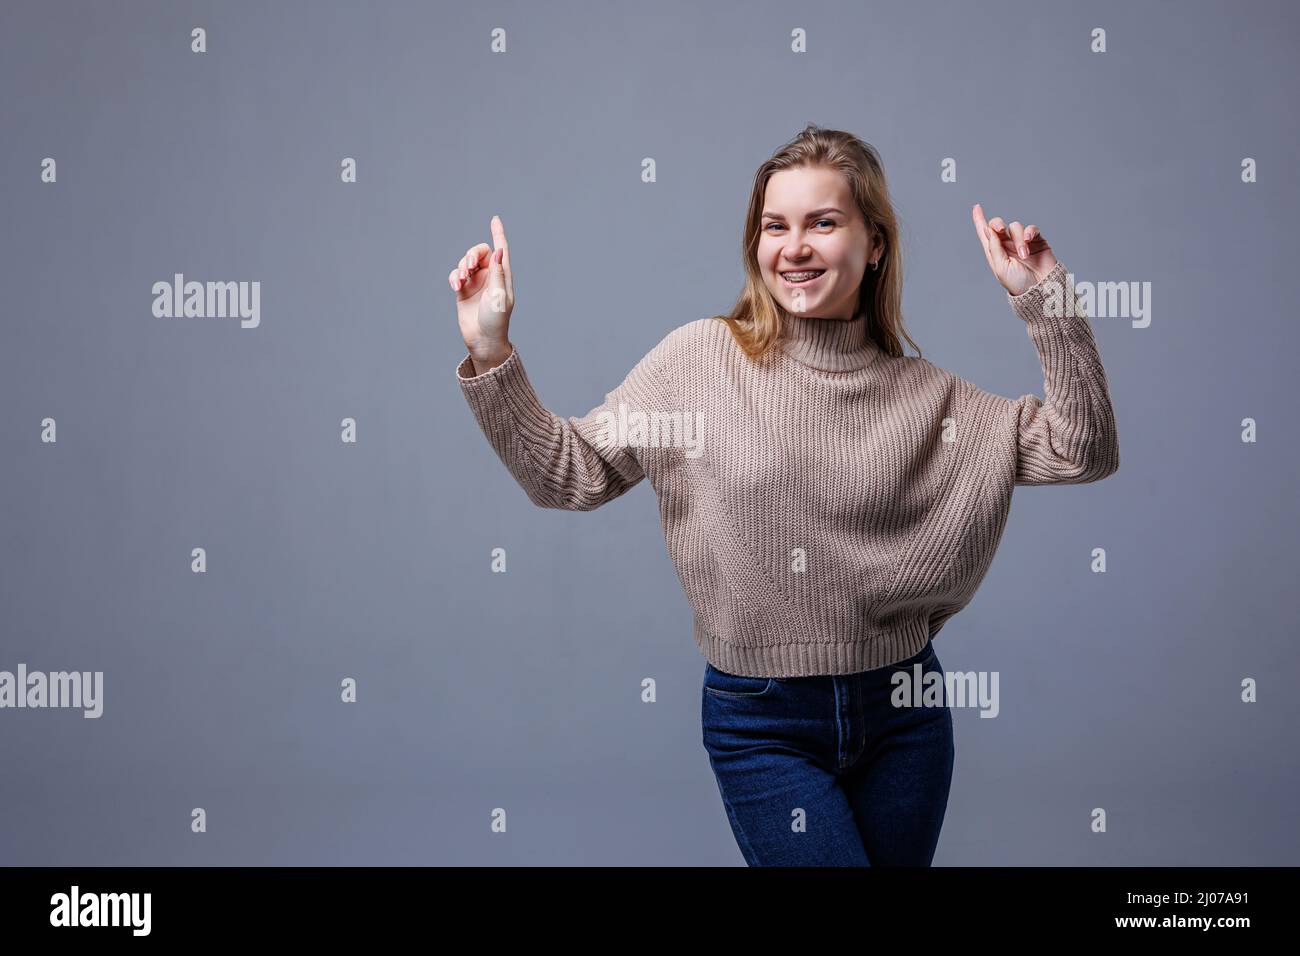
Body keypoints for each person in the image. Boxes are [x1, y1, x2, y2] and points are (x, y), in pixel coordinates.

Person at [447, 125, 1119, 866]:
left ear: (875, 246)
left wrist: (1047, 304)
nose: (793, 247)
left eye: (823, 223)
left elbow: (1082, 447)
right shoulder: (698, 363)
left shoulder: (932, 399)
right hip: (761, 722)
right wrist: (490, 352)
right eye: (775, 226)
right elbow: (565, 473)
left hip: (905, 714)